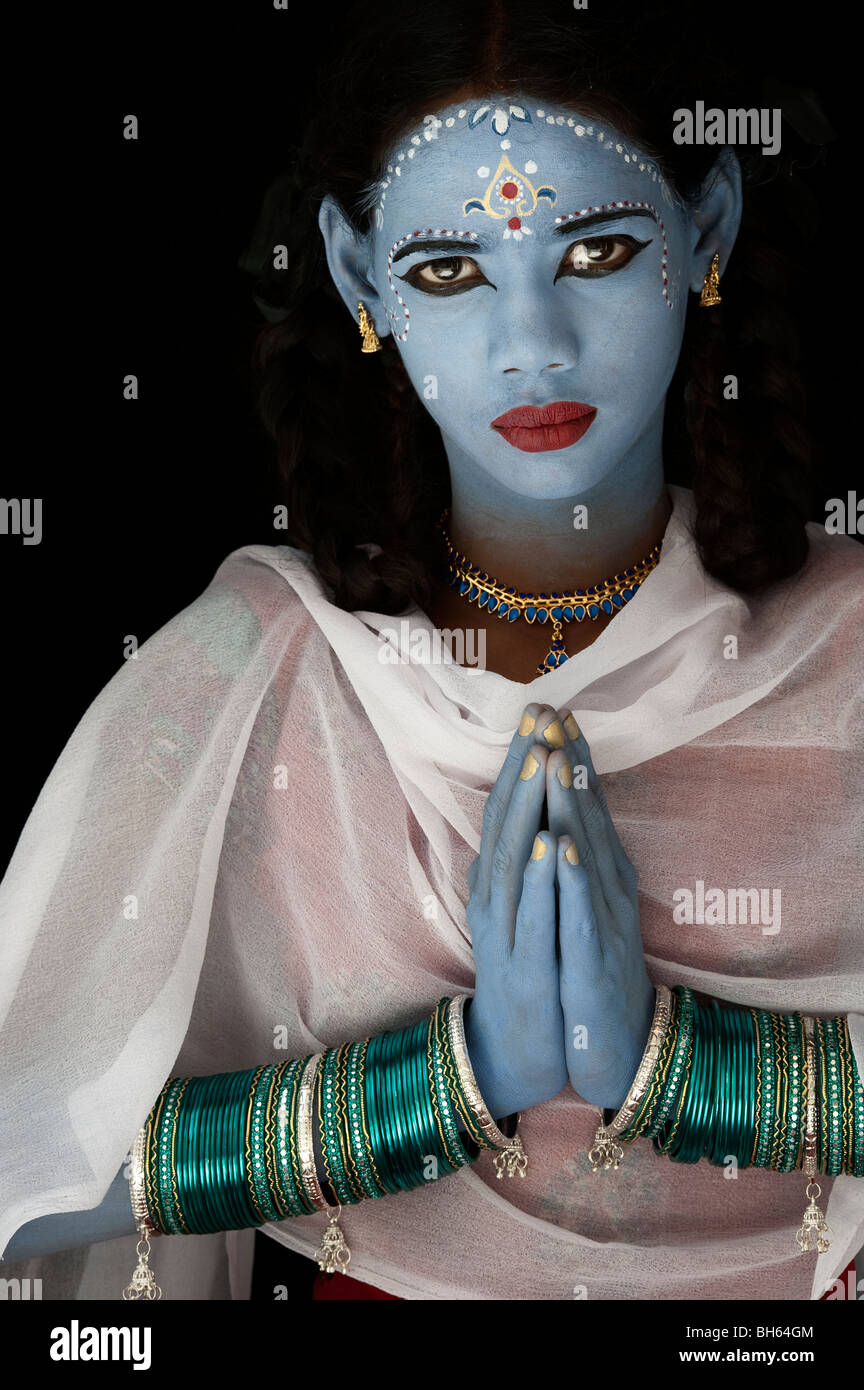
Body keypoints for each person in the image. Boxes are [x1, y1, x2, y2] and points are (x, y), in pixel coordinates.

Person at [1, 0, 862, 1302]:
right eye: (452, 271)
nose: (533, 344)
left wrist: (679, 1065)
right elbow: (24, 1171)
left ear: (707, 232)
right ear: (359, 279)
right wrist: (457, 1079)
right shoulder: (252, 682)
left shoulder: (850, 653)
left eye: (599, 251)